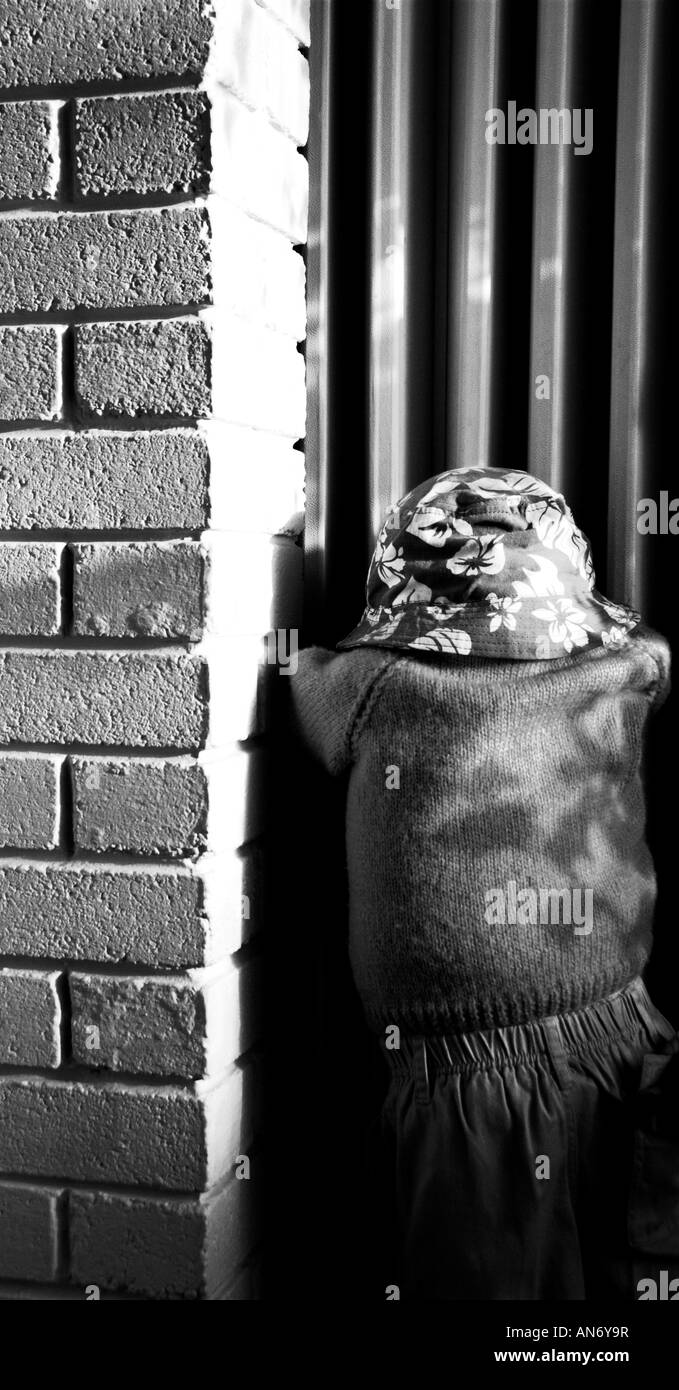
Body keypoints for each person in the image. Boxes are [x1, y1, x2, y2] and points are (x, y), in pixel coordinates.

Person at [290, 465, 677, 1300]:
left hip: (464, 1086)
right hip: (622, 1030)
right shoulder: (619, 670)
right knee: (624, 1268)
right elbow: (652, 654)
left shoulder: (369, 685)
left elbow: (303, 683)